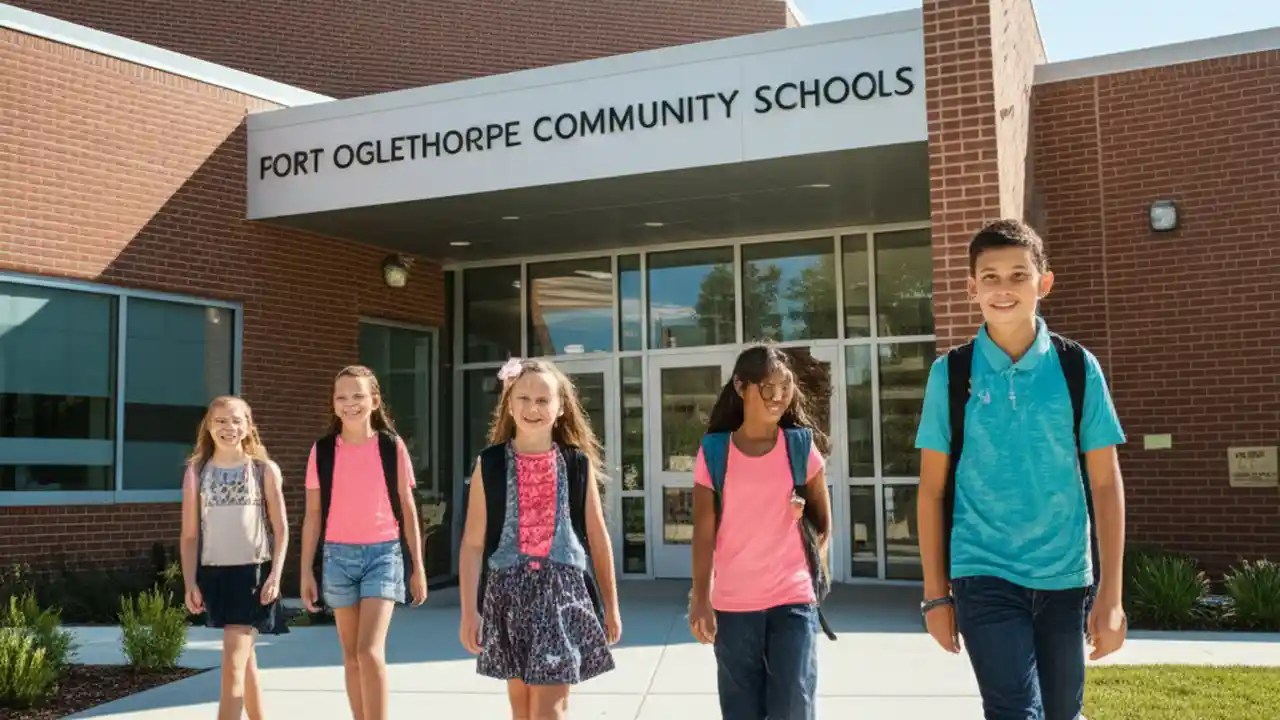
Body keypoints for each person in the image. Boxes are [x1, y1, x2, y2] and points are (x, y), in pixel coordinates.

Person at [915, 219, 1128, 720]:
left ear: (1043, 282)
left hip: (1064, 575)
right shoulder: (950, 374)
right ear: (972, 288)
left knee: (1062, 713)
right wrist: (934, 597)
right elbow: (931, 491)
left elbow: (1105, 482)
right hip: (982, 571)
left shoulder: (1078, 368)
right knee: (1014, 709)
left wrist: (1111, 596)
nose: (1003, 289)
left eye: (1018, 275)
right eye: (989, 277)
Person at [458, 357, 621, 720]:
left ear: (560, 407)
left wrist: (610, 604)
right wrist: (470, 610)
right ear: (510, 406)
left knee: (550, 708)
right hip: (507, 592)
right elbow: (472, 543)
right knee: (523, 707)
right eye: (524, 399)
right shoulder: (491, 463)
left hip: (561, 593)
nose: (533, 407)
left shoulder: (576, 463)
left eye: (543, 400)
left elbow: (596, 535)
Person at [688, 344, 833, 720]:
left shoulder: (800, 447)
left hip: (793, 601)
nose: (778, 397)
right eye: (768, 387)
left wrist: (807, 568)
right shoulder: (715, 452)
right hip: (734, 605)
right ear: (741, 386)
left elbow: (823, 525)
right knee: (741, 712)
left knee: (793, 708)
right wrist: (700, 597)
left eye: (785, 388)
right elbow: (703, 534)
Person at [299, 365, 428, 720]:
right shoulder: (322, 451)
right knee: (352, 656)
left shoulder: (391, 446)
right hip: (337, 557)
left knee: (369, 651)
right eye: (341, 396)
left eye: (358, 396)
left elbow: (408, 508)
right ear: (333, 403)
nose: (350, 403)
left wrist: (417, 566)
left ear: (374, 400)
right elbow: (312, 516)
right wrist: (306, 572)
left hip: (383, 555)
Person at [180, 395, 289, 720]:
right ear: (208, 427)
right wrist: (190, 583)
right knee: (244, 662)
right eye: (220, 421)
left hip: (253, 576)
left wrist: (276, 576)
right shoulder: (196, 473)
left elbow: (281, 529)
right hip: (214, 575)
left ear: (248, 426)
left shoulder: (263, 470)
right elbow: (189, 536)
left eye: (236, 420)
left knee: (232, 662)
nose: (228, 427)